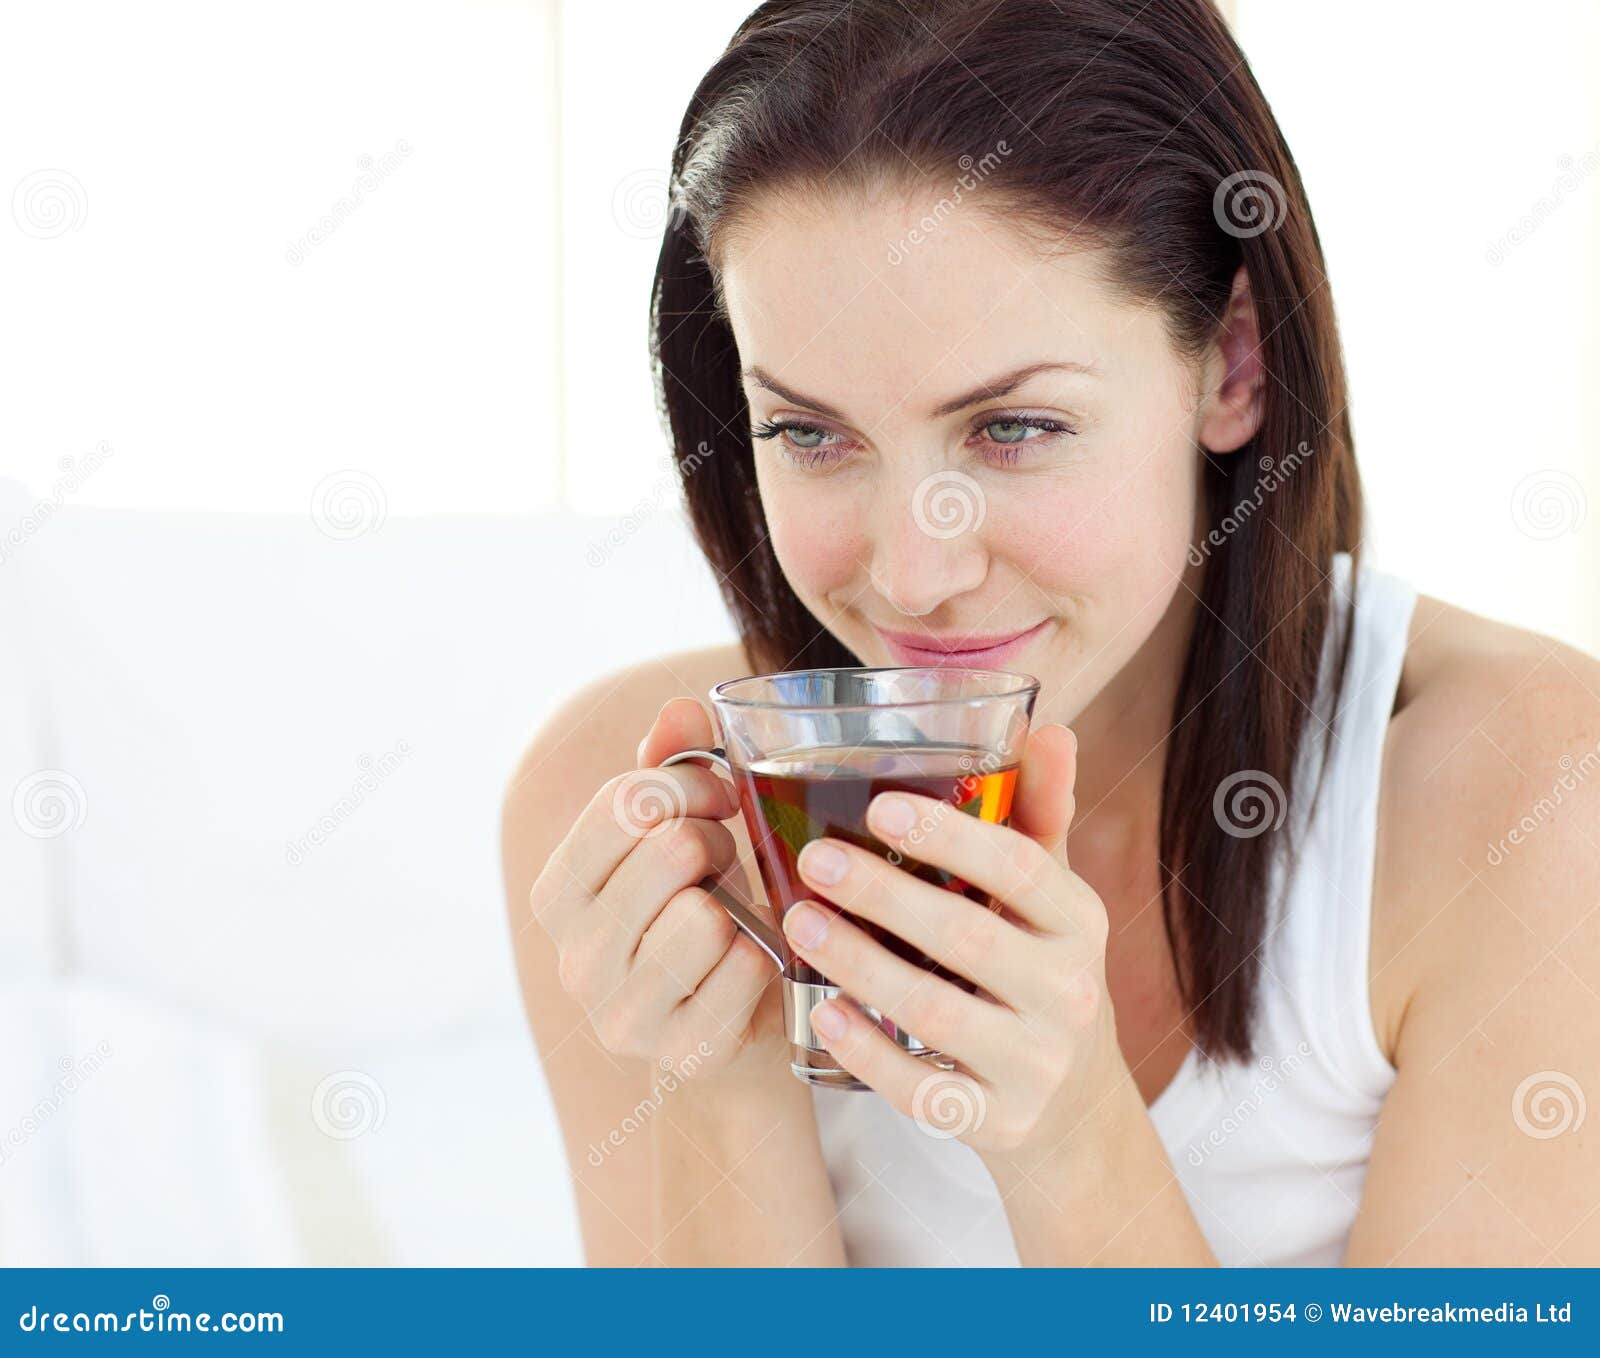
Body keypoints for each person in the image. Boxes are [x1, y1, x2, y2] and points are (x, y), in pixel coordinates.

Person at [502, 0, 1599, 1266]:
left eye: (1012, 428)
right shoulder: (631, 809)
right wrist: (721, 1082)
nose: (915, 573)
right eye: (809, 432)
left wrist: (1066, 1132)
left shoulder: (1531, 794)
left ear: (1232, 364)